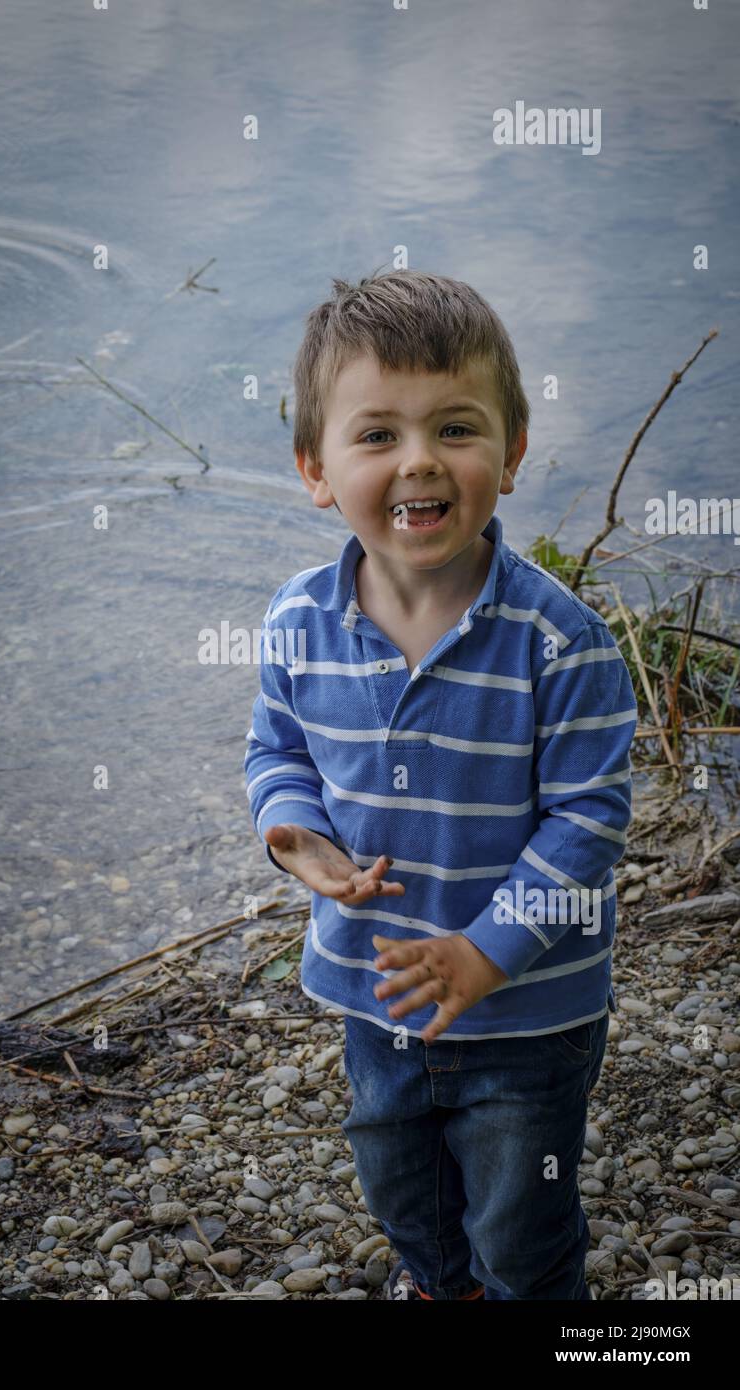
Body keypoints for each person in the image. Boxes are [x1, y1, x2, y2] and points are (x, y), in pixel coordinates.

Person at [243, 269, 638, 1300]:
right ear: (314, 468)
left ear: (509, 453)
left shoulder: (560, 642)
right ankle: (437, 1279)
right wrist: (297, 833)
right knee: (395, 1172)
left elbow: (589, 823)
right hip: (372, 987)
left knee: (519, 1213)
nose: (419, 459)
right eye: (376, 435)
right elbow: (277, 750)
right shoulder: (298, 622)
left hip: (528, 1009)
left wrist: (485, 952)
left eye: (455, 428)